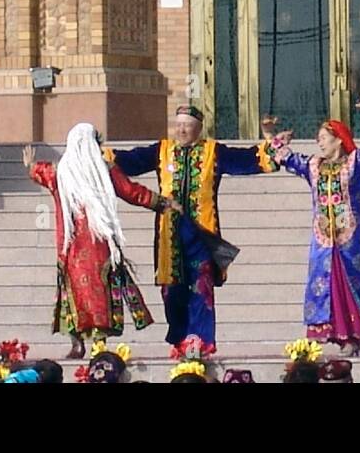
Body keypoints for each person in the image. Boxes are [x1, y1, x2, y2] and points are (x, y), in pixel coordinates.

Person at [107, 106, 290, 348]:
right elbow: (127, 161)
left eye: (188, 125)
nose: (182, 130)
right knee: (171, 290)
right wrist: (95, 152)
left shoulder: (213, 152)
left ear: (199, 129)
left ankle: (201, 341)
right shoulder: (161, 150)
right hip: (169, 235)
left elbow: (249, 159)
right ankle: (180, 340)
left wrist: (269, 137)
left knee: (201, 286)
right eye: (178, 125)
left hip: (201, 235)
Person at [25, 123, 180, 358]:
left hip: (70, 246)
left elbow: (39, 171)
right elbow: (132, 192)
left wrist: (29, 165)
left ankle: (77, 343)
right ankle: (100, 342)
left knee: (74, 291)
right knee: (99, 289)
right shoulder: (104, 170)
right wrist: (163, 203)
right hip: (100, 245)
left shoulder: (60, 171)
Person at [273, 94, 360, 356]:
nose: (319, 143)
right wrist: (272, 135)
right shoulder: (313, 166)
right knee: (326, 285)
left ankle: (354, 337)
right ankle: (332, 334)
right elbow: (285, 157)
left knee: (353, 284)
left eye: (323, 138)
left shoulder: (355, 163)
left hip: (352, 241)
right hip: (323, 242)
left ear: (337, 139)